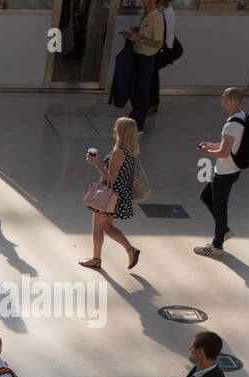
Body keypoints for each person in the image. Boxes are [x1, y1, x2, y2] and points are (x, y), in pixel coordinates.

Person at [78, 117, 140, 271]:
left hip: (108, 196)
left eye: (116, 127)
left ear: (121, 132)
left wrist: (96, 163)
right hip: (117, 195)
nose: (113, 129)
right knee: (108, 227)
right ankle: (130, 250)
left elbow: (110, 177)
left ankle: (96, 259)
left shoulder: (119, 152)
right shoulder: (130, 151)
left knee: (97, 229)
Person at [195, 87, 247, 258]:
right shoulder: (241, 118)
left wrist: (206, 153)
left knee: (220, 207)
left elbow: (224, 153)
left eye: (224, 97)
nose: (221, 99)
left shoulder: (231, 125)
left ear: (232, 100)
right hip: (230, 170)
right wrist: (212, 145)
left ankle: (217, 245)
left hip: (225, 172)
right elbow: (229, 145)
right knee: (205, 196)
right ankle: (223, 230)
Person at [125, 0, 163, 133]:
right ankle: (134, 116)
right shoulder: (147, 14)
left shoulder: (157, 18)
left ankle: (139, 124)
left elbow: (158, 43)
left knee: (142, 91)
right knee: (135, 88)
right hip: (139, 55)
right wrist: (135, 32)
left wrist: (139, 39)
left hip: (147, 58)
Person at [148, 0, 176, 114]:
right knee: (152, 75)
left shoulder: (166, 13)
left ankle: (152, 103)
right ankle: (152, 103)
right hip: (162, 47)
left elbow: (164, 34)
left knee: (151, 75)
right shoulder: (165, 12)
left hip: (161, 48)